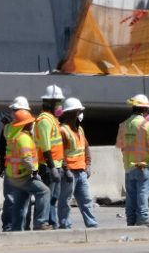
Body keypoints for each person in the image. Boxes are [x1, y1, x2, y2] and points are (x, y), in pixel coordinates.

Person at [116, 93, 149, 227]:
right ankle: (142, 217)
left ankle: (130, 220)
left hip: (129, 167)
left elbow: (121, 146)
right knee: (143, 191)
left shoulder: (123, 125)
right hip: (144, 165)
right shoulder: (146, 125)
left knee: (131, 195)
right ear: (144, 109)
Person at [4, 109, 51, 231]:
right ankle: (40, 223)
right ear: (25, 124)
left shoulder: (14, 136)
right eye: (30, 122)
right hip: (24, 175)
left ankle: (17, 229)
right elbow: (26, 159)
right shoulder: (24, 138)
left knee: (20, 202)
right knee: (44, 192)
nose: (32, 123)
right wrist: (34, 172)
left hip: (13, 177)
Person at [58, 97, 98, 229]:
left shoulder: (80, 130)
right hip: (69, 173)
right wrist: (66, 170)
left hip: (81, 172)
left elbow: (85, 147)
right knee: (65, 201)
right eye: (76, 111)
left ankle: (92, 225)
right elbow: (60, 153)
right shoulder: (63, 130)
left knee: (86, 201)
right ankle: (65, 226)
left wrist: (88, 164)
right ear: (69, 113)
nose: (78, 114)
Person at [0, 95, 30, 231]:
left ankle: (23, 226)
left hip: (24, 170)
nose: (16, 113)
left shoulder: (28, 128)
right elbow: (2, 149)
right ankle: (9, 226)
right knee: (11, 200)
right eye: (15, 111)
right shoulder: (8, 128)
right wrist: (1, 167)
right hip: (12, 170)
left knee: (24, 200)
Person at [34, 84, 64, 228]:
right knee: (47, 196)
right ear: (50, 102)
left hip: (56, 165)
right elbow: (46, 146)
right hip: (47, 166)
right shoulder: (44, 120)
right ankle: (42, 222)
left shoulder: (52, 119)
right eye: (57, 102)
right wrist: (52, 167)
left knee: (53, 198)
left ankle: (52, 222)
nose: (59, 105)